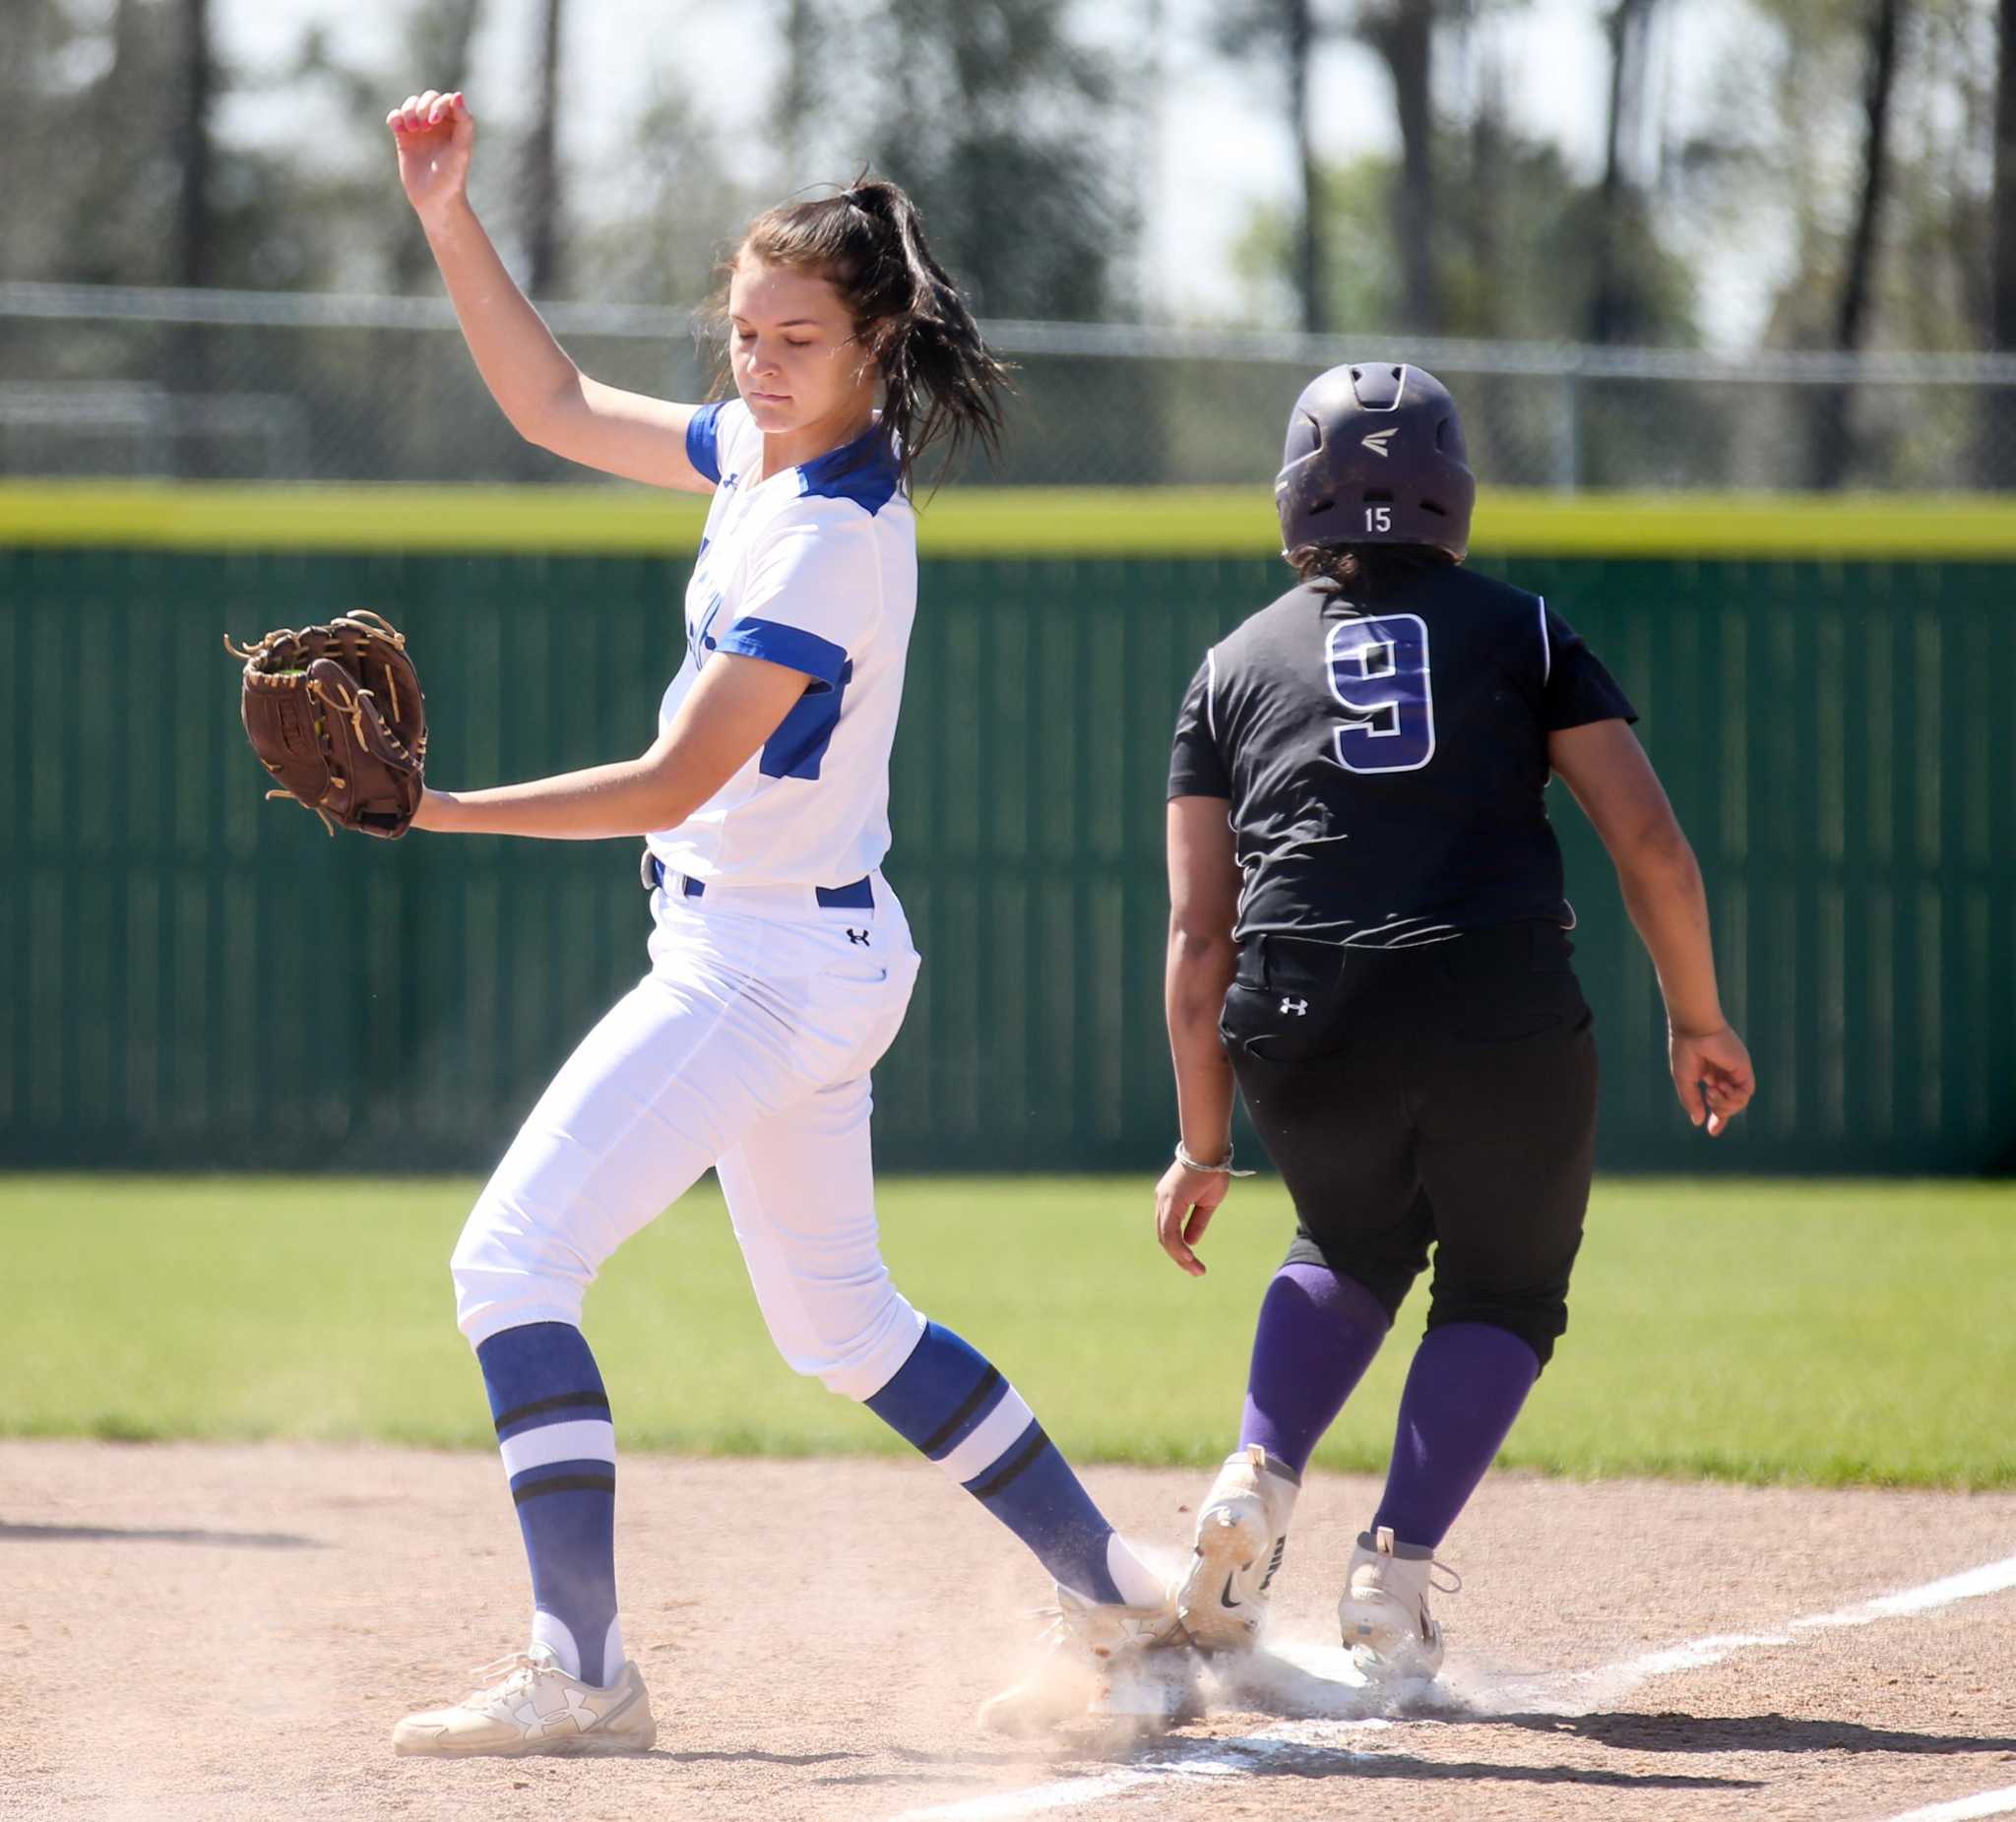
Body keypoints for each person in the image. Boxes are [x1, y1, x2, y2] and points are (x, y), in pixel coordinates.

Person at [377, 89, 1179, 1757]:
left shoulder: (830, 536)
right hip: (808, 951)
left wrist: (442, 809)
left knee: (511, 1262)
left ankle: (583, 1672)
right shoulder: (763, 451)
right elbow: (544, 401)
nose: (757, 360)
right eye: (742, 330)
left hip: (758, 964)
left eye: (796, 335)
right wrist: (449, 213)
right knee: (846, 1328)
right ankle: (1110, 1583)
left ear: (875, 339)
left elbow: (676, 781)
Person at [1154, 362, 1755, 1680]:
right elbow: (1648, 842)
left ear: (1296, 495)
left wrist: (1203, 1147)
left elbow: (1201, 941)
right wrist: (1696, 1017)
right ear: (1453, 495)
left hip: (1303, 1010)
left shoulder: (1228, 666)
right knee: (1503, 1287)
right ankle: (1392, 1580)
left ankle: (1256, 1478)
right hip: (1497, 1000)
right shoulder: (1525, 632)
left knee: (1347, 1243)